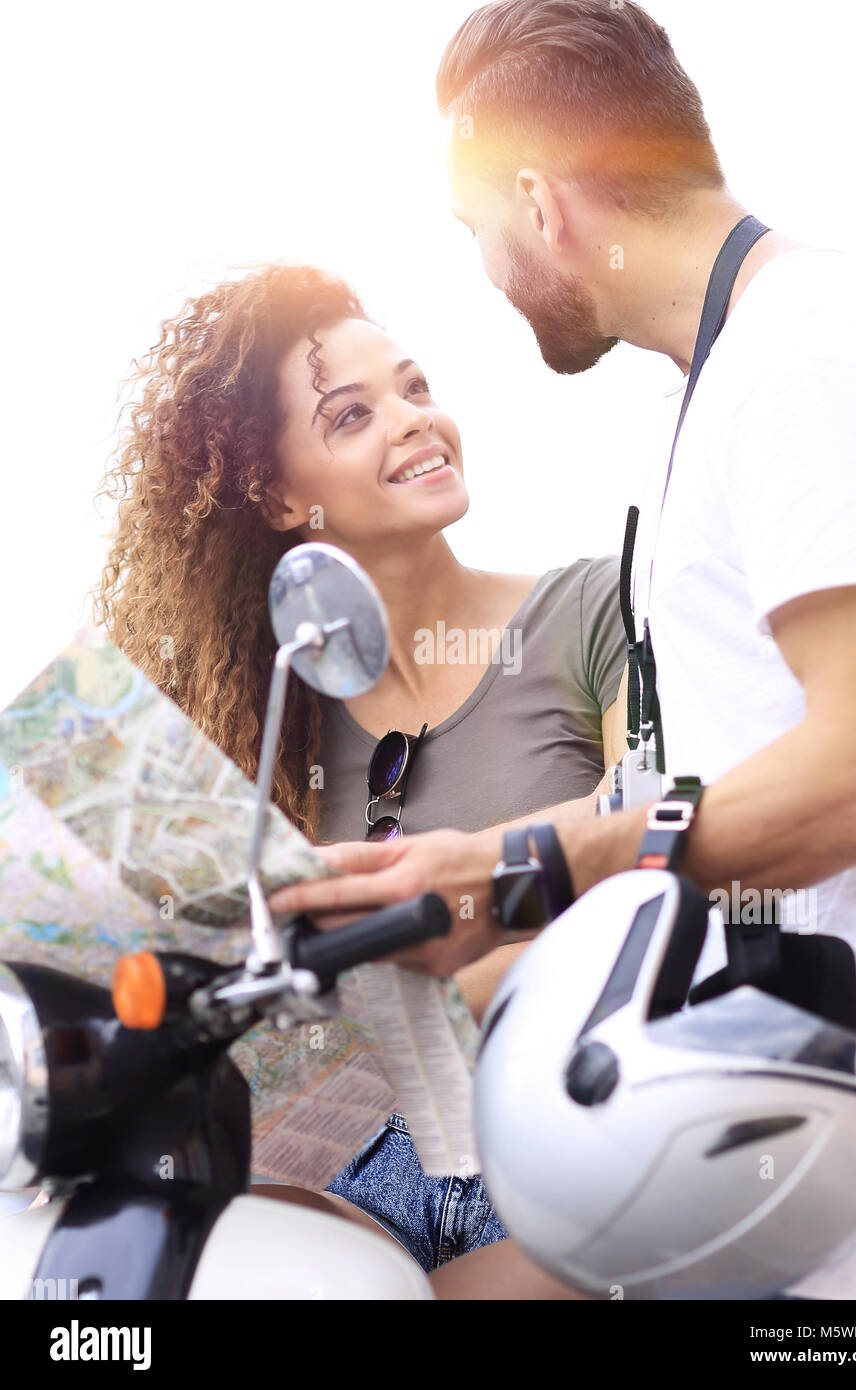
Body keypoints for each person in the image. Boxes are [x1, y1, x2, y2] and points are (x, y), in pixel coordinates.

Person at [269, 0, 856, 1300]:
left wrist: (522, 865)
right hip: (767, 1140)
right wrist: (464, 869)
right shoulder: (723, 383)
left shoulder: (806, 357)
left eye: (474, 235)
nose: (485, 271)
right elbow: (709, 771)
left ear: (538, 200)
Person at [91, 261, 628, 1295]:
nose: (413, 422)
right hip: (356, 1183)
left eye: (416, 388)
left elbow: (653, 827)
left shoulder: (589, 609)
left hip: (563, 1133)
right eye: (353, 415)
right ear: (278, 494)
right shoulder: (267, 732)